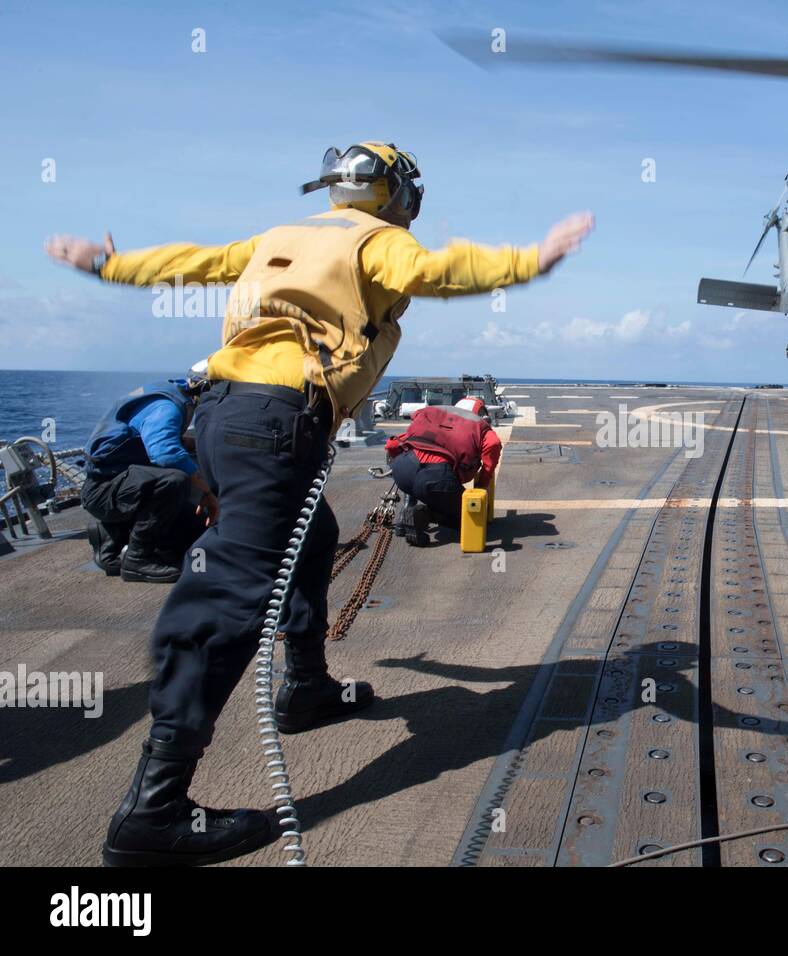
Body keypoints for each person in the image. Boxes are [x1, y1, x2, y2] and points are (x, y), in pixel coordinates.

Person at [45, 141, 593, 866]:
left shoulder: (281, 236)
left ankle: (305, 686)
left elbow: (193, 261)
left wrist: (111, 265)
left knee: (315, 533)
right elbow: (436, 272)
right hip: (277, 420)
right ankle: (154, 810)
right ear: (393, 193)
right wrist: (529, 260)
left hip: (220, 417)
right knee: (225, 601)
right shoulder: (378, 241)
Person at [81, 375, 216, 582]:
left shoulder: (170, 395)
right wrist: (206, 491)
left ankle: (112, 534)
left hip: (120, 486)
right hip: (105, 492)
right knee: (175, 480)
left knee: (193, 530)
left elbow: (155, 437)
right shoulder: (168, 408)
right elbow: (165, 453)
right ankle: (137, 560)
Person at [386, 396, 501, 534]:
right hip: (437, 478)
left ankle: (405, 513)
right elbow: (493, 444)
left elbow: (392, 445)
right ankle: (425, 515)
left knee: (415, 472)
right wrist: (481, 485)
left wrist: (396, 466)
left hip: (402, 471)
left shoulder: (433, 415)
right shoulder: (479, 426)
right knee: (471, 518)